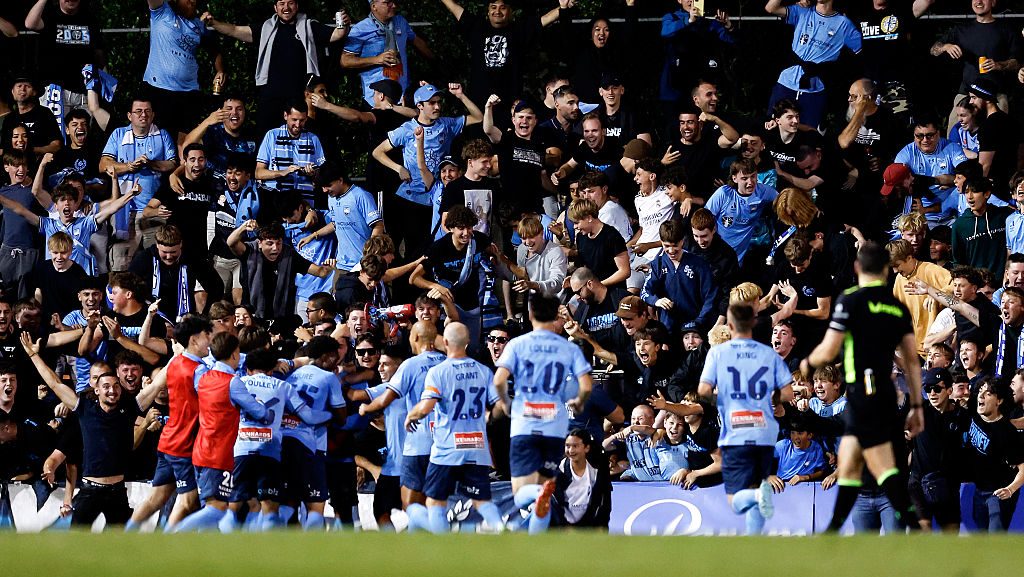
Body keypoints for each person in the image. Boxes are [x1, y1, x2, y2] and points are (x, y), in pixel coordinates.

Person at [802, 241, 924, 532]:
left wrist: (807, 363)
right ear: (886, 270)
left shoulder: (850, 299)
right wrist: (917, 405)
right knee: (849, 462)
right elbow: (912, 362)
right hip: (884, 393)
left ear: (857, 268)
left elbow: (829, 350)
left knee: (881, 470)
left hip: (862, 394)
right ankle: (832, 532)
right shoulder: (897, 308)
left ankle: (915, 529)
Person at [23, 331, 165, 528]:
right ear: (96, 390)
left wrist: (181, 355)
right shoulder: (83, 408)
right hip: (89, 491)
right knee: (78, 545)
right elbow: (54, 383)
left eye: (116, 386)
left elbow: (157, 384)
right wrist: (33, 355)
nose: (112, 390)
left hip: (118, 492)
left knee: (123, 547)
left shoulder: (129, 408)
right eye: (106, 386)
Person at [494, 293, 592, 534]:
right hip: (554, 426)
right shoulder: (566, 347)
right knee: (543, 501)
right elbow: (587, 385)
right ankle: (535, 546)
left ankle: (538, 492)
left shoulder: (518, 344)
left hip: (525, 424)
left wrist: (506, 403)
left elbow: (499, 381)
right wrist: (579, 402)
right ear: (554, 314)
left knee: (520, 496)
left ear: (530, 314)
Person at [698, 303, 794, 535]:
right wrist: (772, 398)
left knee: (736, 500)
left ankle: (758, 495)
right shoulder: (768, 353)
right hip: (764, 432)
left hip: (736, 432)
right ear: (753, 323)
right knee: (756, 486)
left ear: (730, 326)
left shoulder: (718, 353)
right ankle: (754, 544)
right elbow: (789, 393)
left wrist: (720, 401)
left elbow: (703, 390)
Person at [404, 322, 506, 533]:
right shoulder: (484, 371)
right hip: (476, 446)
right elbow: (500, 406)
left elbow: (427, 407)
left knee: (434, 502)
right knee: (482, 500)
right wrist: (488, 419)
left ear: (447, 342)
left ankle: (443, 545)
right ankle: (500, 529)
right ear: (468, 342)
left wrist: (412, 415)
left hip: (447, 448)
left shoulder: (438, 372)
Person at [200, 1, 351, 135]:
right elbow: (234, 30)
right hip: (270, 95)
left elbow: (336, 35)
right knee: (265, 137)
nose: (286, 7)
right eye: (282, 4)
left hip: (297, 96)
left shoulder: (309, 26)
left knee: (299, 138)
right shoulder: (266, 28)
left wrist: (343, 24)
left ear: (297, 6)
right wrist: (214, 23)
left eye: (290, 3)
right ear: (275, 7)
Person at [174, 332, 271, 532]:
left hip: (201, 450)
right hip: (218, 454)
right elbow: (260, 412)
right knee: (217, 509)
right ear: (235, 354)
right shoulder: (232, 382)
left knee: (214, 507)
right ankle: (173, 534)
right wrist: (267, 409)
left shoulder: (203, 376)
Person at [372, 83, 482, 259]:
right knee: (408, 249)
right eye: (431, 103)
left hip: (437, 197)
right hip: (411, 197)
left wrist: (461, 95)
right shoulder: (407, 129)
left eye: (439, 102)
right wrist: (398, 168)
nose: (437, 106)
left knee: (429, 249)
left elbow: (478, 117)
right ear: (419, 106)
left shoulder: (446, 124)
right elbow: (377, 152)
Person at [125, 314, 210, 531]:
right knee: (188, 500)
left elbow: (151, 391)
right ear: (194, 339)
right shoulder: (199, 370)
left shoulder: (175, 363)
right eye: (206, 335)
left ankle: (128, 533)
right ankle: (169, 538)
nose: (209, 340)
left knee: (156, 498)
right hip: (184, 443)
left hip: (167, 440)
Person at [281, 335, 348, 530]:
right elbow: (341, 417)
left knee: (290, 501)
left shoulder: (291, 375)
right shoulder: (328, 378)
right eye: (335, 357)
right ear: (326, 356)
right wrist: (328, 414)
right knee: (316, 505)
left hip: (284, 442)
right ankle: (312, 551)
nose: (337, 362)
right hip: (312, 446)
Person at [764, 0, 861, 130]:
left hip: (814, 87)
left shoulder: (844, 23)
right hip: (787, 81)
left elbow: (862, 50)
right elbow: (771, 8)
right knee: (773, 126)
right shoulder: (802, 11)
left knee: (809, 134)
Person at [142, 0, 224, 144]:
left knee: (187, 142)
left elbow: (215, 50)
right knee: (158, 139)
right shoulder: (162, 12)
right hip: (159, 89)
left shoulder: (198, 25)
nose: (193, 2)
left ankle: (184, 166)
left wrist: (220, 70)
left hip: (189, 93)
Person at [227, 221, 333, 321]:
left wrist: (328, 266)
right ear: (260, 243)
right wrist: (243, 228)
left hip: (281, 319)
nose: (275, 248)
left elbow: (321, 272)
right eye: (270, 243)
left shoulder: (289, 255)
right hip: (253, 317)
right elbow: (231, 243)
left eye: (279, 243)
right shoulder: (250, 250)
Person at [909, 367, 970, 532]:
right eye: (928, 389)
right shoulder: (918, 413)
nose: (932, 393)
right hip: (919, 484)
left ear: (950, 390)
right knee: (922, 532)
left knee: (951, 539)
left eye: (937, 388)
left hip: (948, 485)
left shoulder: (962, 416)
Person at [342, 0, 433, 107]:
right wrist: (376, 59)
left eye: (394, 1)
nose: (394, 5)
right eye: (387, 2)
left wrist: (437, 62)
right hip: (377, 98)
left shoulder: (400, 22)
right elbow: (345, 60)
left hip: (404, 94)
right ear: (374, 6)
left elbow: (416, 41)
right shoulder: (361, 28)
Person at [963, 380, 1024, 532]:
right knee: (981, 541)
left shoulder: (1006, 432)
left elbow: (1023, 467)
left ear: (999, 401)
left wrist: (1010, 490)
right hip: (979, 490)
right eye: (981, 392)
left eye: (988, 394)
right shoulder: (974, 412)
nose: (981, 396)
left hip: (997, 494)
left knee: (994, 541)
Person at [24, 0, 106, 112]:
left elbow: (99, 54)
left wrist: (104, 81)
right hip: (55, 91)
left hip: (85, 91)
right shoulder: (50, 15)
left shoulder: (89, 19)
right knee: (54, 129)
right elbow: (30, 24)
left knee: (83, 128)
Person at [641, 219, 717, 337]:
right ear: (661, 242)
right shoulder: (658, 265)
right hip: (668, 329)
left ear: (682, 241)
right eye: (666, 246)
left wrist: (699, 321)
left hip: (694, 329)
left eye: (675, 245)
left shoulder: (699, 264)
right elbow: (645, 292)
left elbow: (710, 297)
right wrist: (656, 301)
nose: (671, 251)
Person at [705, 159, 780, 265]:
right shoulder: (723, 193)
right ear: (734, 178)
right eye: (744, 178)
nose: (750, 182)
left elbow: (785, 200)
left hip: (737, 259)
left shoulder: (764, 192)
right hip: (715, 253)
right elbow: (704, 219)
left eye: (753, 176)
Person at [255, 99, 326, 208]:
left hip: (304, 205)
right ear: (285, 116)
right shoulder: (272, 135)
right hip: (276, 200)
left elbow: (321, 178)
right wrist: (282, 172)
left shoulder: (313, 139)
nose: (298, 125)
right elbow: (258, 173)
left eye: (302, 120)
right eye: (294, 119)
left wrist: (313, 174)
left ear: (306, 118)